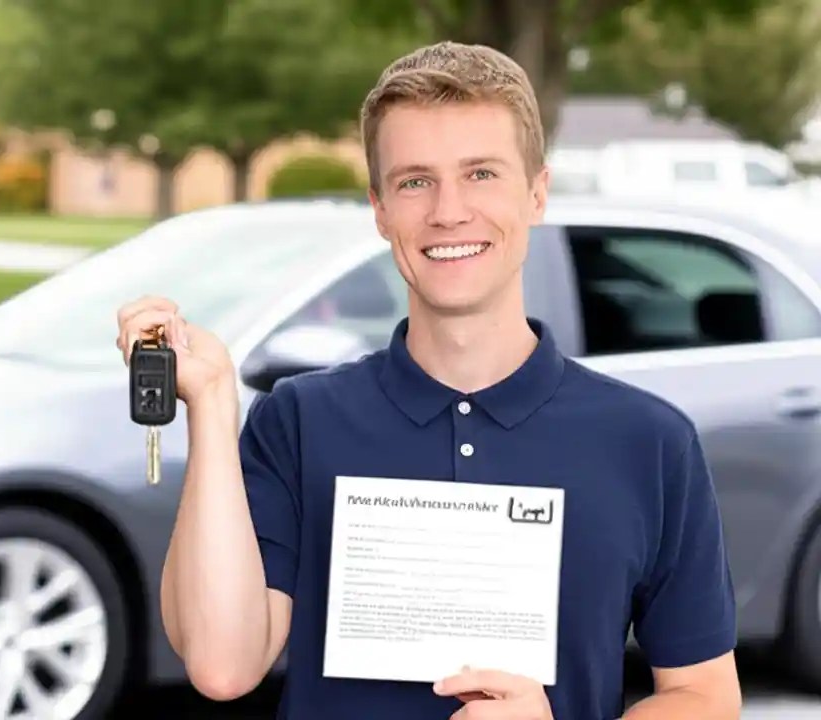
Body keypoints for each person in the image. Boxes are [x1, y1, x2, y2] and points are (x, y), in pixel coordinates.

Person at [114, 41, 742, 719]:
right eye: (415, 181)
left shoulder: (648, 441)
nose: (448, 211)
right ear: (380, 208)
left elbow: (703, 694)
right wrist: (209, 402)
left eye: (481, 174)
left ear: (536, 193)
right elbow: (221, 665)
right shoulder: (299, 421)